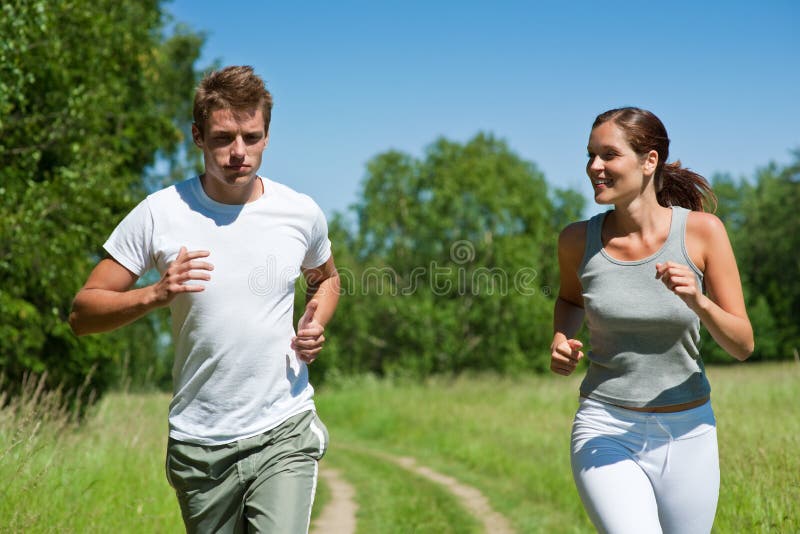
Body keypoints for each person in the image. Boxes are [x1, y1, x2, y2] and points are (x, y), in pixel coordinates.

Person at [69, 65, 340, 533]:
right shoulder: (160, 213)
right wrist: (155, 293)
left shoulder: (300, 212)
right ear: (197, 136)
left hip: (284, 428)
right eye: (223, 138)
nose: (239, 153)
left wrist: (316, 322)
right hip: (200, 444)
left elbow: (327, 279)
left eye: (251, 137)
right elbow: (82, 313)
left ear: (267, 136)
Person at [550, 107, 753, 534]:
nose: (594, 167)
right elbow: (571, 299)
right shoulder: (575, 240)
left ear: (649, 161)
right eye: (589, 155)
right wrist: (562, 337)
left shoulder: (702, 233)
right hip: (606, 426)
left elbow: (742, 345)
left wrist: (699, 302)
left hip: (689, 430)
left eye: (608, 155)